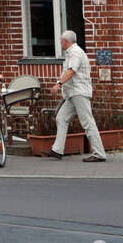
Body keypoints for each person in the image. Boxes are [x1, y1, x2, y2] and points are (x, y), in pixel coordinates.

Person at [47, 30, 106, 162]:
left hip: (78, 92)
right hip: (73, 93)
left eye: (61, 40)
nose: (60, 43)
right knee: (61, 118)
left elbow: (71, 71)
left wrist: (58, 84)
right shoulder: (72, 52)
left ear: (66, 41)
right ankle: (57, 150)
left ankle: (99, 153)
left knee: (87, 122)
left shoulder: (75, 53)